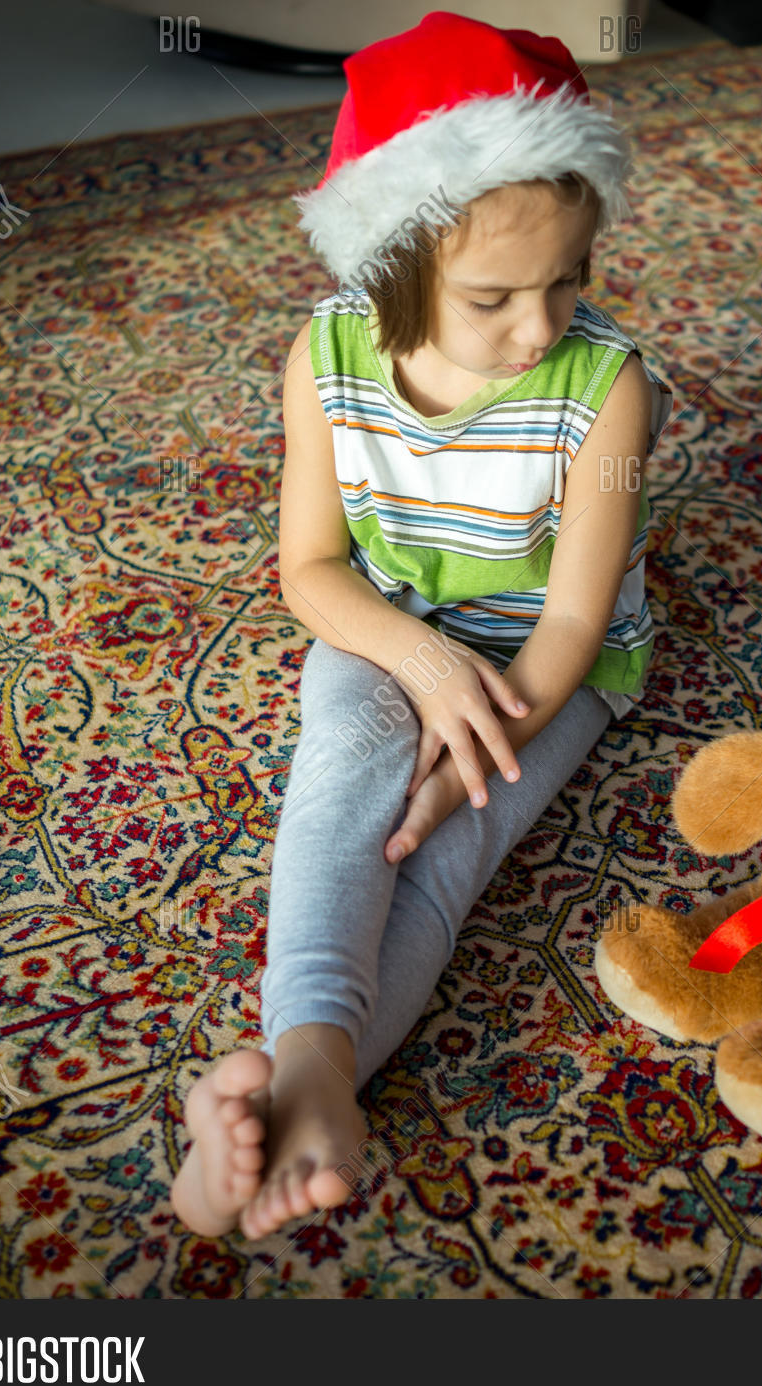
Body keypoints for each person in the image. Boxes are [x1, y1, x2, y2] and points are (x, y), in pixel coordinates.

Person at [170, 12, 673, 1240]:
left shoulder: (609, 389)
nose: (542, 326)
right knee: (344, 771)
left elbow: (575, 615)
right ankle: (317, 1082)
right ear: (385, 271)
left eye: (570, 281)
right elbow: (311, 569)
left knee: (444, 844)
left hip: (555, 665)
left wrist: (477, 729)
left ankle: (303, 1081)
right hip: (391, 624)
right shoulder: (325, 357)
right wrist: (421, 660)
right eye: (495, 296)